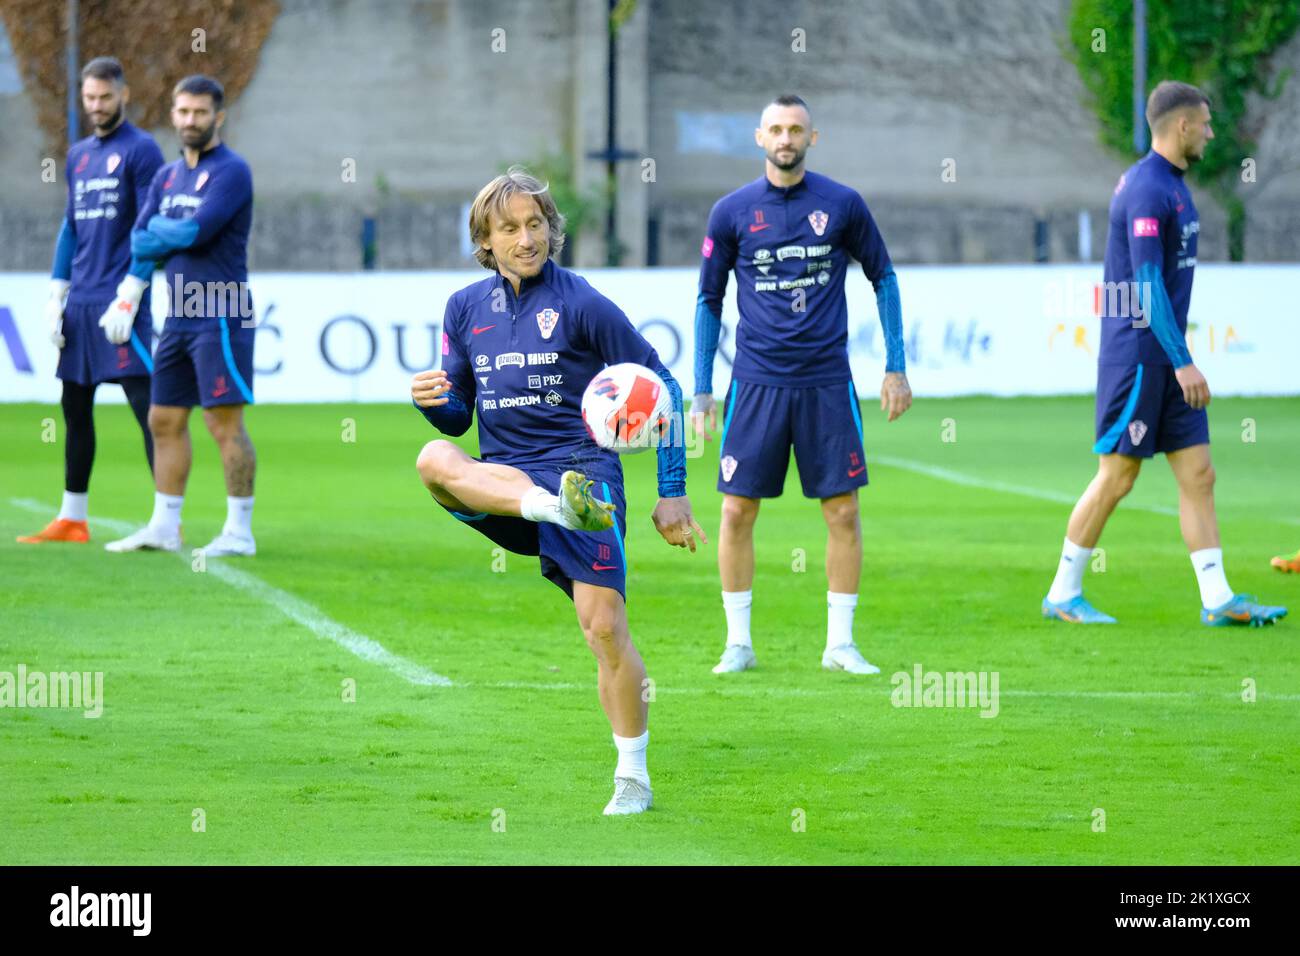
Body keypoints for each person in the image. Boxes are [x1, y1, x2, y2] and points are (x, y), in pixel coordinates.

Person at [412, 167, 703, 815]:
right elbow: (458, 416)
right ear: (485, 241)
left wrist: (672, 490)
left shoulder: (582, 303)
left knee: (603, 628)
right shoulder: (464, 309)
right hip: (509, 481)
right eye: (510, 228)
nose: (526, 238)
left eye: (536, 224)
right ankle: (550, 509)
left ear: (551, 229)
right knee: (433, 457)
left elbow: (665, 384)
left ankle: (633, 777)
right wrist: (434, 403)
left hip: (585, 473)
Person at [1042, 81, 1286, 628]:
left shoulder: (1171, 185)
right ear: (1181, 126)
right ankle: (1063, 591)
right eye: (1205, 123)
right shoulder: (1148, 190)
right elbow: (1148, 284)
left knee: (1199, 474)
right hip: (1139, 358)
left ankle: (1219, 599)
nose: (1211, 132)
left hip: (1165, 355)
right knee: (1118, 476)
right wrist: (1182, 361)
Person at [691, 94, 911, 675]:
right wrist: (702, 389)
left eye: (796, 129)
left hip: (826, 384)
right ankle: (737, 642)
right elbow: (708, 300)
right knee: (736, 512)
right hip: (755, 385)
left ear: (814, 138)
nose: (786, 138)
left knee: (842, 512)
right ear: (760, 138)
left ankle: (840, 644)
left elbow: (883, 277)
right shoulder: (731, 212)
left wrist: (896, 366)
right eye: (776, 129)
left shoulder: (843, 204)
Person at [104, 75, 259, 557]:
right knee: (163, 419)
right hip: (179, 312)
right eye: (183, 112)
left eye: (199, 112)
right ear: (172, 114)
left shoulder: (233, 171)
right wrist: (130, 290)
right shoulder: (168, 177)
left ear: (218, 116)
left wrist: (162, 234)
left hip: (222, 310)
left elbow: (196, 231)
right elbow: (139, 238)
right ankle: (165, 526)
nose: (190, 121)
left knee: (222, 423)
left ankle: (239, 531)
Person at [18, 57, 163, 545]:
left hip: (120, 304)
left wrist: (133, 290)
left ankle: (167, 517)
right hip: (80, 302)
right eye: (89, 98)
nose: (97, 106)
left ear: (123, 95)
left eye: (104, 97)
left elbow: (149, 224)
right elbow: (70, 226)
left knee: (148, 410)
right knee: (74, 408)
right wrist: (57, 290)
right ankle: (72, 518)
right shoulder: (78, 154)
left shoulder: (143, 151)